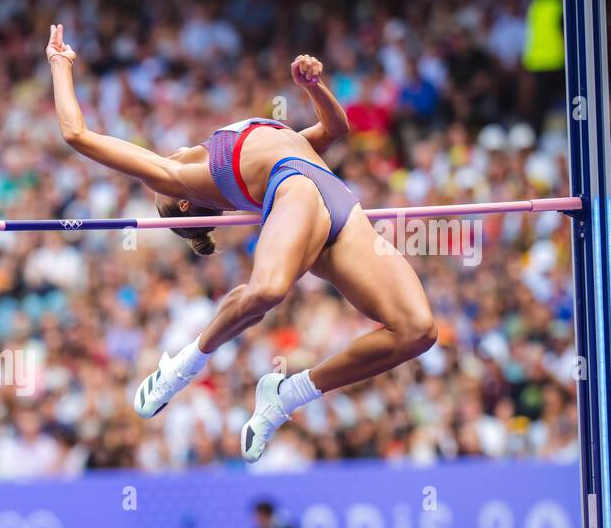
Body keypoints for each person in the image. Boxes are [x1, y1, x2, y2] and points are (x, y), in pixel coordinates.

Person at [45, 24, 437, 463]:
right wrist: (60, 65)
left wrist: (313, 87)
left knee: (417, 332)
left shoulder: (229, 151)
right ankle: (181, 367)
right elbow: (76, 135)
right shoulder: (186, 178)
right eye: (156, 197)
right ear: (184, 205)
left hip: (337, 204)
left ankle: (287, 397)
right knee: (268, 290)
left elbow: (335, 129)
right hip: (297, 191)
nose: (151, 180)